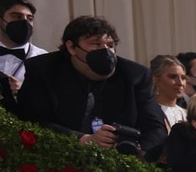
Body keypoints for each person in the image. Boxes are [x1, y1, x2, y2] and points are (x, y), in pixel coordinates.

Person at [11, 15, 165, 154]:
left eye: (110, 45)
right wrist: (82, 140)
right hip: (60, 156)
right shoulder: (42, 69)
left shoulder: (135, 76)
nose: (105, 51)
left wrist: (140, 153)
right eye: (95, 44)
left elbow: (155, 127)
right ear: (71, 47)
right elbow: (31, 120)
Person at [146, 55, 189, 137]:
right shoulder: (147, 112)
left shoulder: (188, 114)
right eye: (173, 77)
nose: (180, 83)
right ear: (155, 79)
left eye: (183, 78)